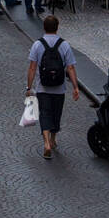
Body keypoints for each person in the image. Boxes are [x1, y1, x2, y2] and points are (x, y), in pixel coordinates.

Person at [26, 15, 80, 159]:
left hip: (42, 88)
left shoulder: (37, 45)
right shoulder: (64, 45)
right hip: (59, 87)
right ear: (57, 27)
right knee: (56, 114)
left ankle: (46, 143)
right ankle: (53, 139)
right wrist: (75, 87)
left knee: (44, 113)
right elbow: (70, 68)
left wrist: (28, 87)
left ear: (44, 27)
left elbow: (32, 68)